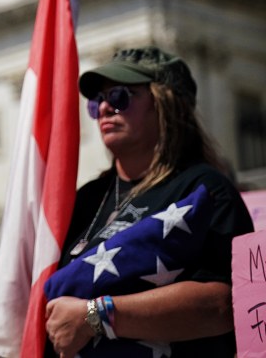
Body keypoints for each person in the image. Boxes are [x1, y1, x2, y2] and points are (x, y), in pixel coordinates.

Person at [43, 46, 252, 357]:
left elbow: (228, 303)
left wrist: (96, 316)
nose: (104, 109)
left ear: (165, 104)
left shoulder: (205, 189)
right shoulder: (85, 200)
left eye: (119, 97)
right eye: (97, 101)